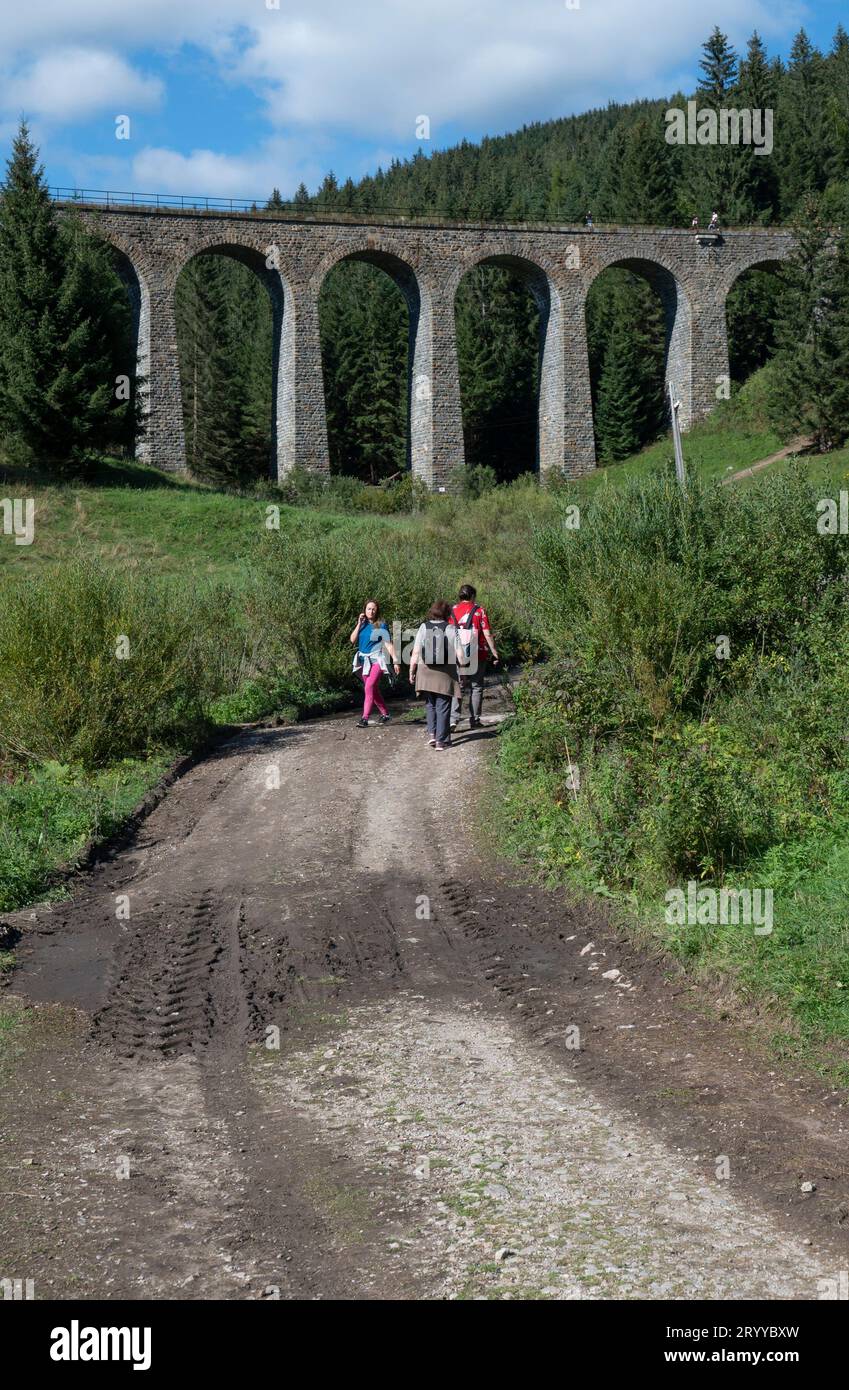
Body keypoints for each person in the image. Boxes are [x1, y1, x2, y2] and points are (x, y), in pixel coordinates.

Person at [408, 600, 462, 750]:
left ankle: (432, 735)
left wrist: (412, 672)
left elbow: (416, 652)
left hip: (425, 672)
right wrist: (463, 671)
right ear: (447, 613)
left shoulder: (424, 627)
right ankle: (441, 741)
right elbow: (460, 654)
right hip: (444, 673)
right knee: (443, 705)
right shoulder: (450, 628)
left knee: (430, 704)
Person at [450, 583, 499, 732]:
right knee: (476, 687)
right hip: (477, 653)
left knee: (458, 686)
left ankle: (453, 719)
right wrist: (495, 651)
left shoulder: (452, 610)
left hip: (457, 654)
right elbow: (487, 633)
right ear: (472, 596)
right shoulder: (479, 610)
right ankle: (474, 720)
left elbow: (448, 632)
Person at [349, 600, 400, 728]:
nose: (371, 611)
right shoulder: (362, 624)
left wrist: (395, 660)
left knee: (369, 686)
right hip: (363, 660)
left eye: (373, 609)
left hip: (377, 659)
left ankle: (364, 718)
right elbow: (352, 640)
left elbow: (388, 644)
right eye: (368, 609)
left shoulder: (381, 625)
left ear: (377, 611)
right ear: (364, 610)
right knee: (372, 688)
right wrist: (359, 623)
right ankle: (385, 714)